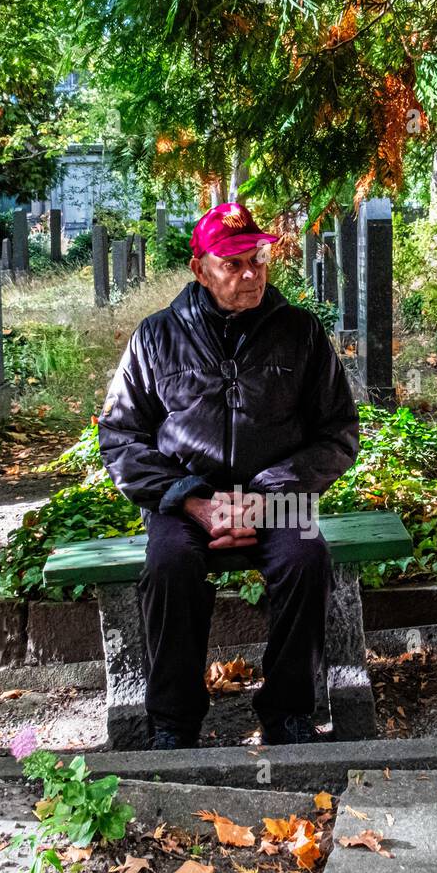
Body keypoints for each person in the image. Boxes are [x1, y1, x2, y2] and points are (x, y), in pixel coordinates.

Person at [98, 201, 359, 749]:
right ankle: (174, 722)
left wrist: (267, 494)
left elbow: (338, 432)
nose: (250, 274)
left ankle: (287, 713)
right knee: (169, 567)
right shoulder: (155, 338)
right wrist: (191, 499)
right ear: (200, 268)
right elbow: (120, 438)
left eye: (257, 259)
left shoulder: (301, 333)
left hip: (277, 497)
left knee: (307, 558)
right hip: (185, 501)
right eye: (233, 262)